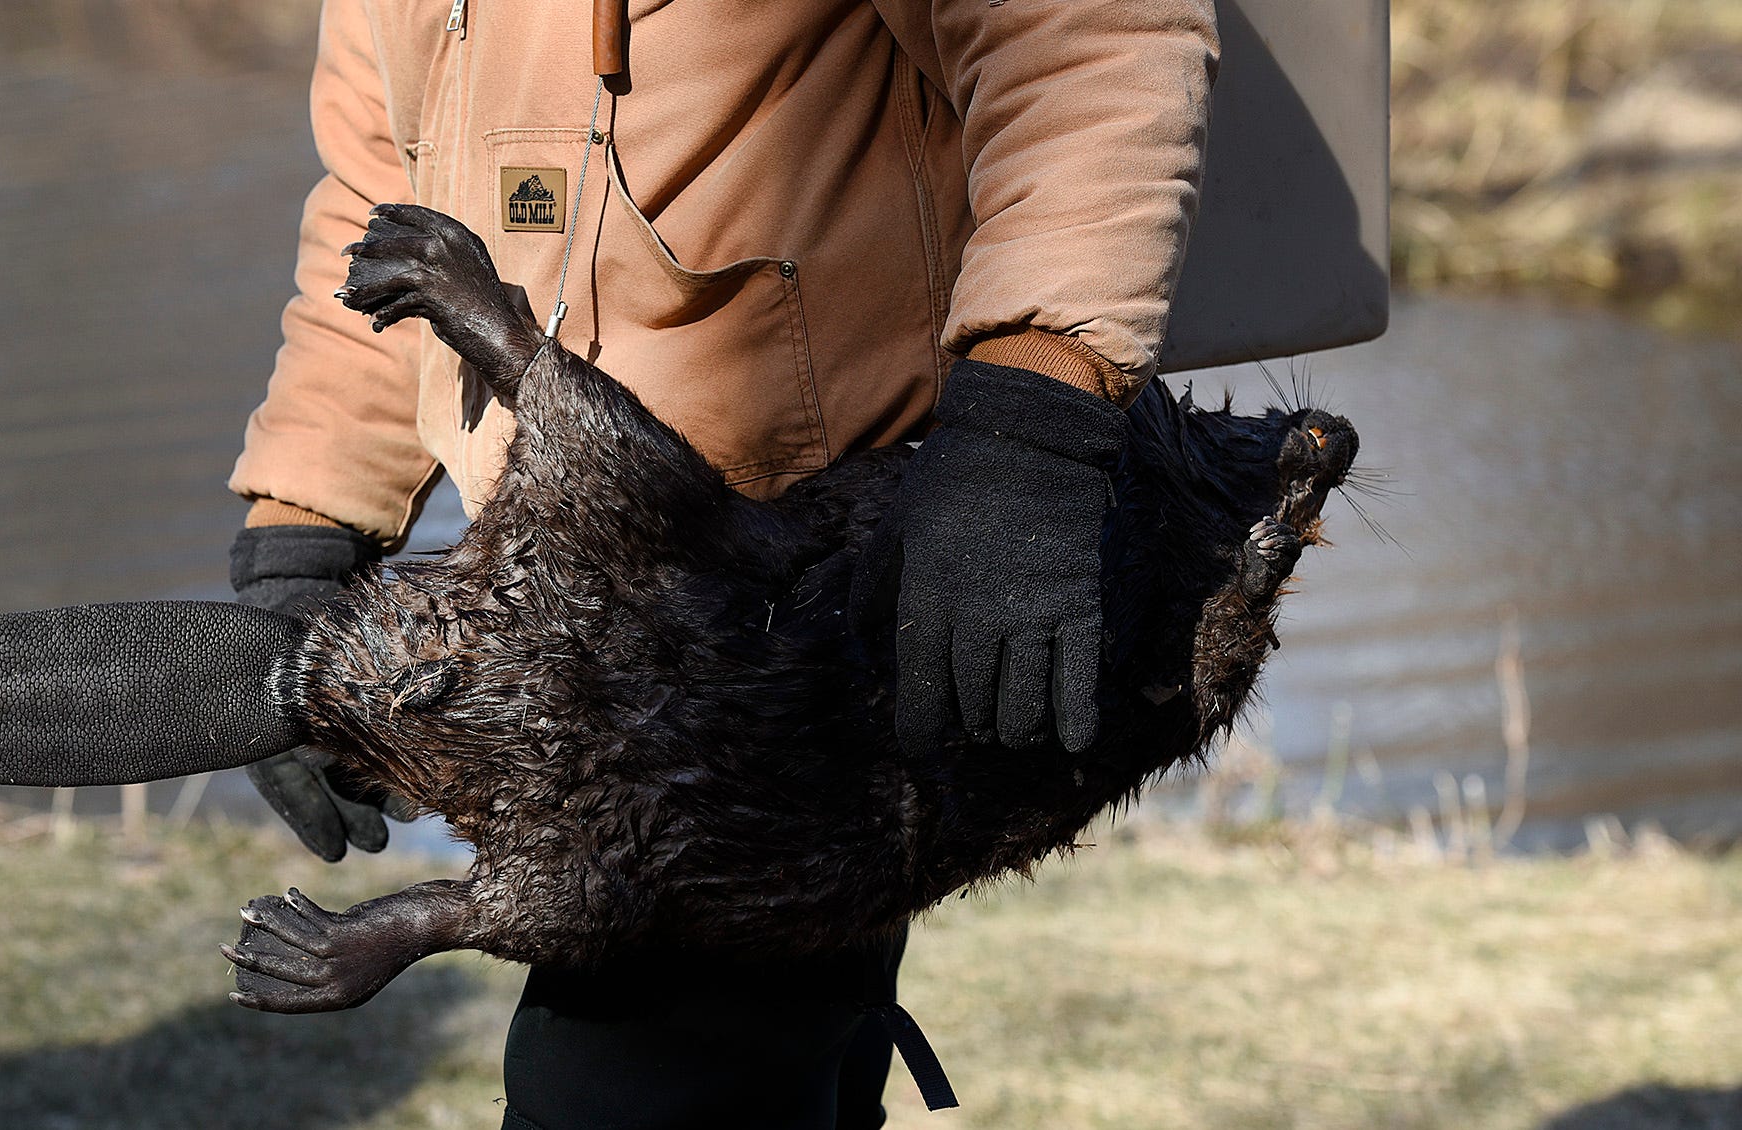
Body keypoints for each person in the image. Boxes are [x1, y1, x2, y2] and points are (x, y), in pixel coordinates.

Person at [227, 1, 1218, 1126]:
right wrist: (305, 530)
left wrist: (1031, 408)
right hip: (567, 610)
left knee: (609, 1087)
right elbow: (378, 200)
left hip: (796, 634)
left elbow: (1084, 45)